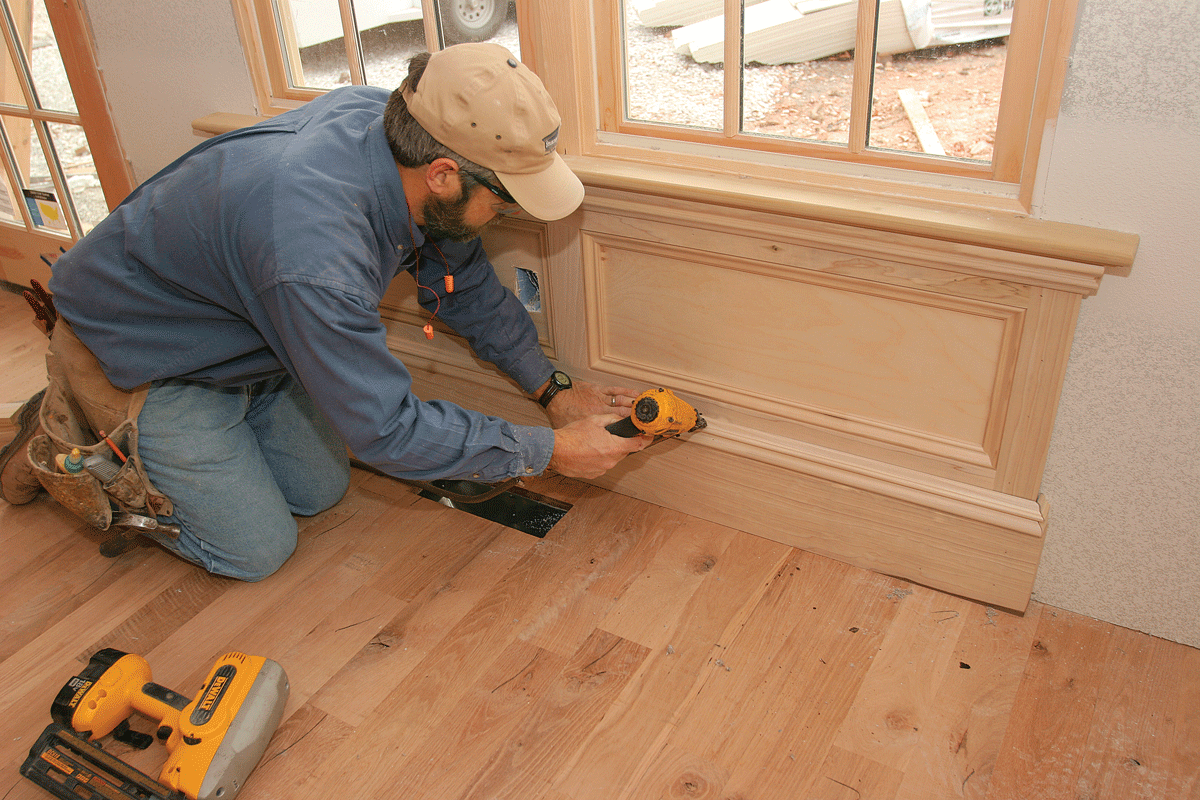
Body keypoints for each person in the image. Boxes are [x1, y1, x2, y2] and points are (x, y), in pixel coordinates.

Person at [0, 43, 650, 580]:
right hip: (140, 354)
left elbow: (462, 281)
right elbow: (386, 430)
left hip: (247, 336)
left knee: (320, 490)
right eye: (505, 202)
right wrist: (551, 453)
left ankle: (209, 443)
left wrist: (552, 389)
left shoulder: (391, 130)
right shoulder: (312, 250)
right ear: (445, 174)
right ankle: (69, 431)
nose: (508, 216)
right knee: (254, 551)